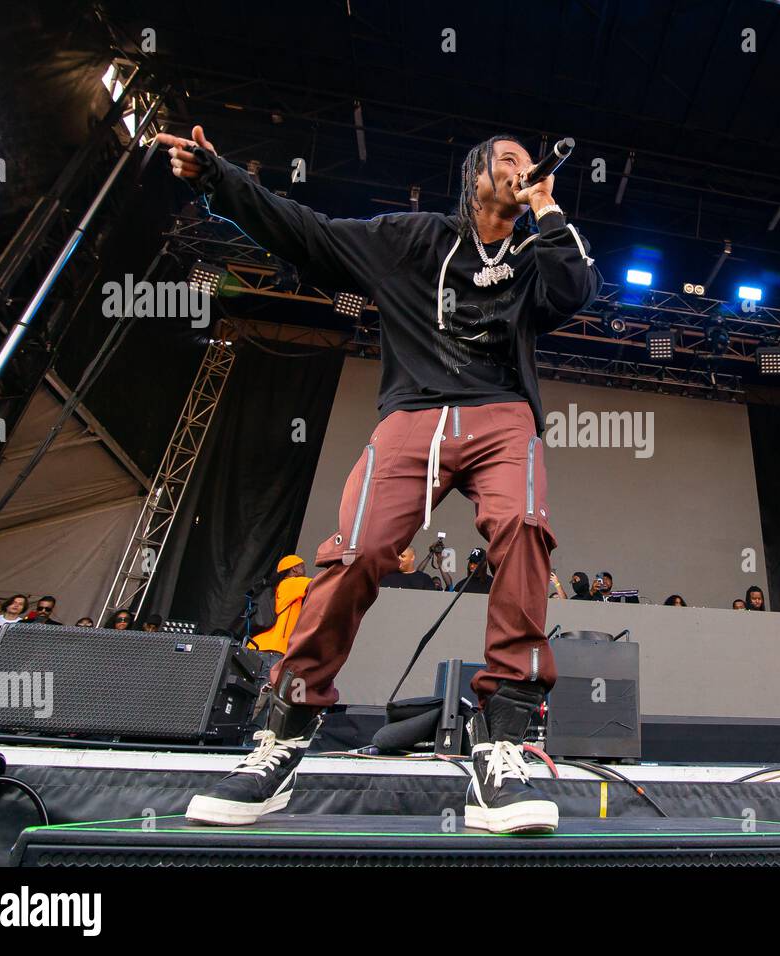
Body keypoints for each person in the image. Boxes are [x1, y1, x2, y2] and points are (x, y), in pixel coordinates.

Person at [161, 124, 600, 834]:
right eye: (510, 162)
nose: (523, 170)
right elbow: (308, 233)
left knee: (523, 529)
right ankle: (286, 733)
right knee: (359, 550)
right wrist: (219, 179)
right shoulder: (410, 239)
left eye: (531, 164)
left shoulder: (531, 253)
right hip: (414, 414)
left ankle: (501, 743)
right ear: (475, 176)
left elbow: (576, 289)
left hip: (502, 414)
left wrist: (549, 208)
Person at [252, 556, 313, 654]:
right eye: (302, 566)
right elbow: (318, 584)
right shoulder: (292, 583)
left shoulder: (279, 587)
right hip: (274, 648)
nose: (305, 570)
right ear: (294, 569)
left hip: (258, 645)